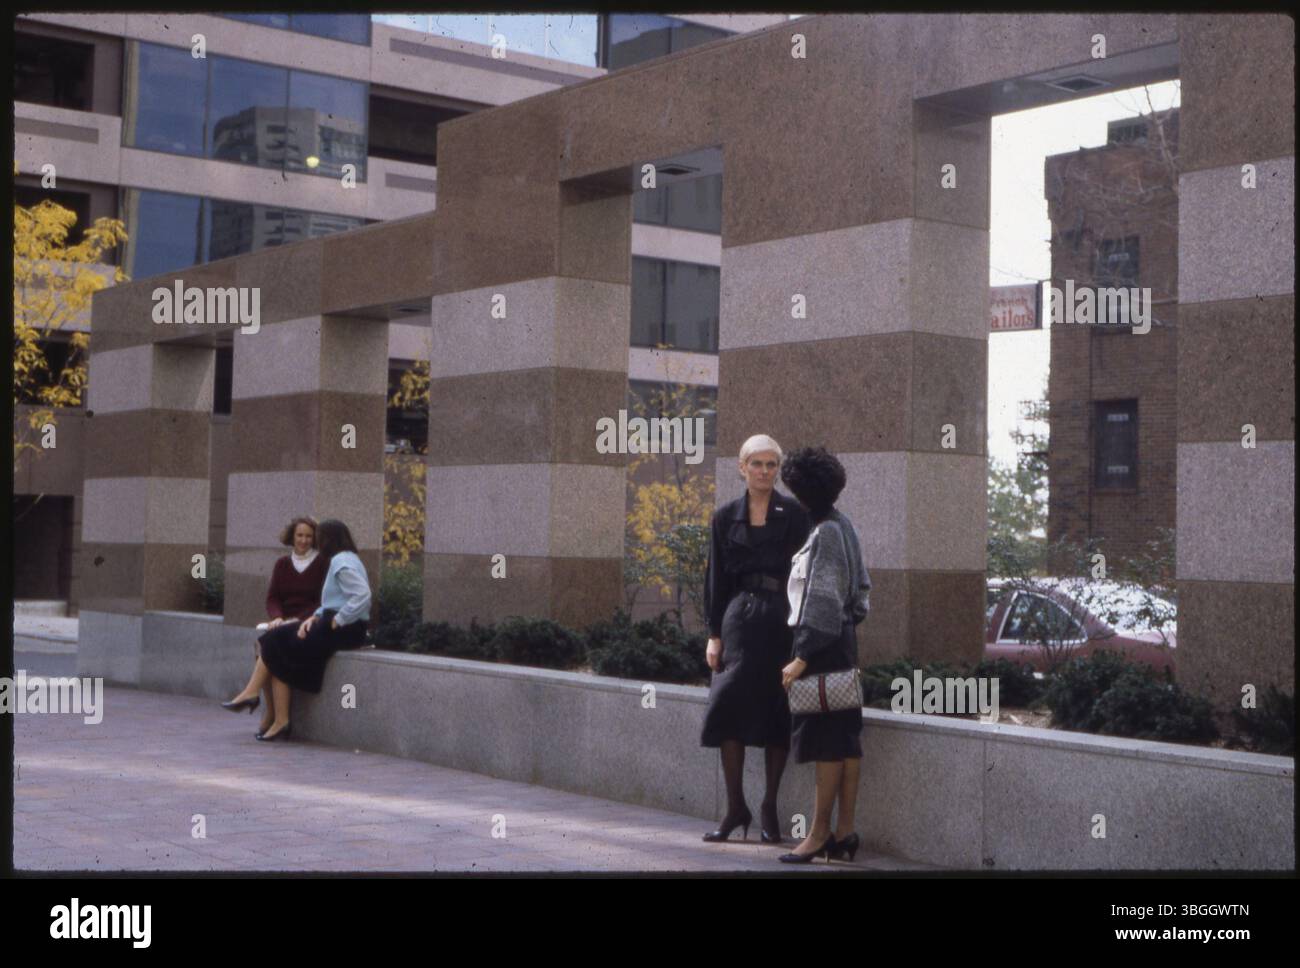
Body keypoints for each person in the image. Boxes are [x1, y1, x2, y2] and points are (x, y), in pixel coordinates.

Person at [700, 434, 812, 844]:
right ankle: (735, 807)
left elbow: (806, 577)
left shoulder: (796, 515)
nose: (764, 472)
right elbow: (715, 581)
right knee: (727, 706)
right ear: (742, 467)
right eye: (757, 464)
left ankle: (768, 806)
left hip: (782, 620)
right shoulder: (724, 516)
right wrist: (714, 634)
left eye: (771, 465)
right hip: (738, 620)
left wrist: (803, 636)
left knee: (775, 711)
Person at [776, 447, 871, 864]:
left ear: (801, 493)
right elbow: (861, 593)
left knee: (827, 742)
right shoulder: (842, 524)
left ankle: (817, 836)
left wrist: (802, 657)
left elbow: (822, 600)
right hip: (841, 644)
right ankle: (844, 833)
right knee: (846, 741)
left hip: (822, 648)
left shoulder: (825, 532)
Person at [225, 519, 371, 742]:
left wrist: (338, 619)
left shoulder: (341, 561)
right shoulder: (345, 558)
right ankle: (269, 710)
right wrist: (316, 617)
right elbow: (334, 599)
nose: (314, 542)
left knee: (275, 641)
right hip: (335, 623)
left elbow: (362, 595)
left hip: (344, 628)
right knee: (275, 641)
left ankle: (256, 698)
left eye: (317, 537)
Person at [221, 517, 327, 737]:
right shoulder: (282, 564)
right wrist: (278, 617)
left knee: (270, 647)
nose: (304, 540)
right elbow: (273, 598)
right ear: (292, 536)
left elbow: (322, 601)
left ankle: (261, 704)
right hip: (283, 623)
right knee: (265, 645)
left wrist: (296, 620)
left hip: (306, 624)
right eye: (300, 535)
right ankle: (273, 716)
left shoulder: (322, 563)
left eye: (308, 536)